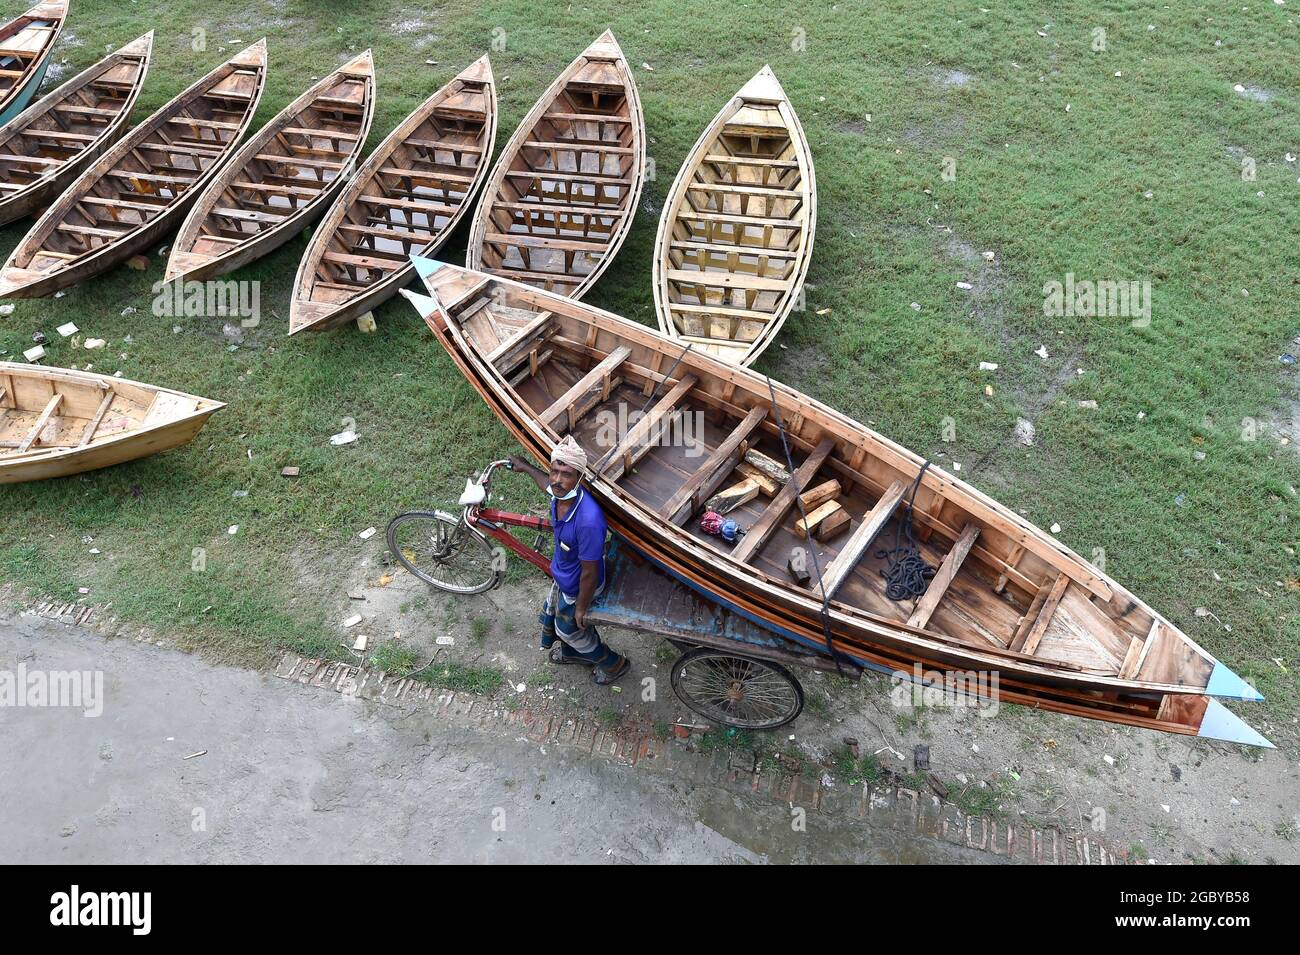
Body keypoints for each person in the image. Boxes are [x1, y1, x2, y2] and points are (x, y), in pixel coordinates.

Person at [508, 436, 630, 685]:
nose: (557, 480)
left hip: (580, 586)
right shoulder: (560, 493)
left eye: (566, 474)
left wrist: (582, 607)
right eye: (555, 471)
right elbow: (547, 485)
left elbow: (590, 572)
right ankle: (578, 652)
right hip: (565, 576)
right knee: (558, 619)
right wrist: (526, 467)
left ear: (580, 478)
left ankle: (614, 664)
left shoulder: (588, 521)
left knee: (568, 629)